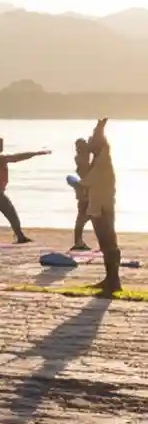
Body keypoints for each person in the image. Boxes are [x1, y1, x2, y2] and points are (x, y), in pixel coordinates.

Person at [80, 119, 118, 295]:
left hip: (102, 208)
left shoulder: (103, 159)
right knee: (105, 244)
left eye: (91, 142)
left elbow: (86, 182)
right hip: (98, 207)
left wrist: (99, 129)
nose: (89, 144)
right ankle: (109, 279)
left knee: (109, 244)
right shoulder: (98, 161)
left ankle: (113, 281)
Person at [71, 138, 92, 252]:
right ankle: (78, 242)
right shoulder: (82, 160)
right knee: (84, 217)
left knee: (83, 217)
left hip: (84, 191)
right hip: (85, 192)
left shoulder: (82, 158)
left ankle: (78, 241)